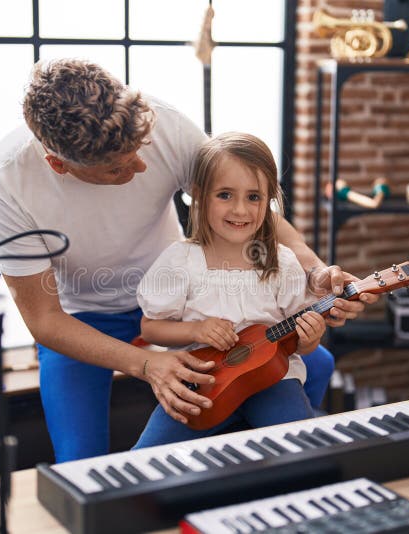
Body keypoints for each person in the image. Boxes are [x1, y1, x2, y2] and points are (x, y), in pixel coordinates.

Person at [0, 58, 376, 463]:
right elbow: (44, 320)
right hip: (83, 315)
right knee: (79, 460)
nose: (140, 165)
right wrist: (149, 364)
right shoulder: (6, 185)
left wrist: (315, 271)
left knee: (317, 364)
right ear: (59, 165)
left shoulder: (162, 123)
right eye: (118, 167)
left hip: (185, 298)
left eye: (139, 149)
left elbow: (243, 204)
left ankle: (251, 462)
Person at [133, 132, 328, 448]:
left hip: (273, 382)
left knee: (303, 450)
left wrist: (311, 337)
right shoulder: (179, 261)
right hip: (203, 382)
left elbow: (300, 346)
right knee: (143, 458)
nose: (240, 210)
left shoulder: (282, 262)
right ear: (199, 196)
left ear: (269, 202)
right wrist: (196, 329)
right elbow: (150, 329)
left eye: (254, 197)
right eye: (225, 195)